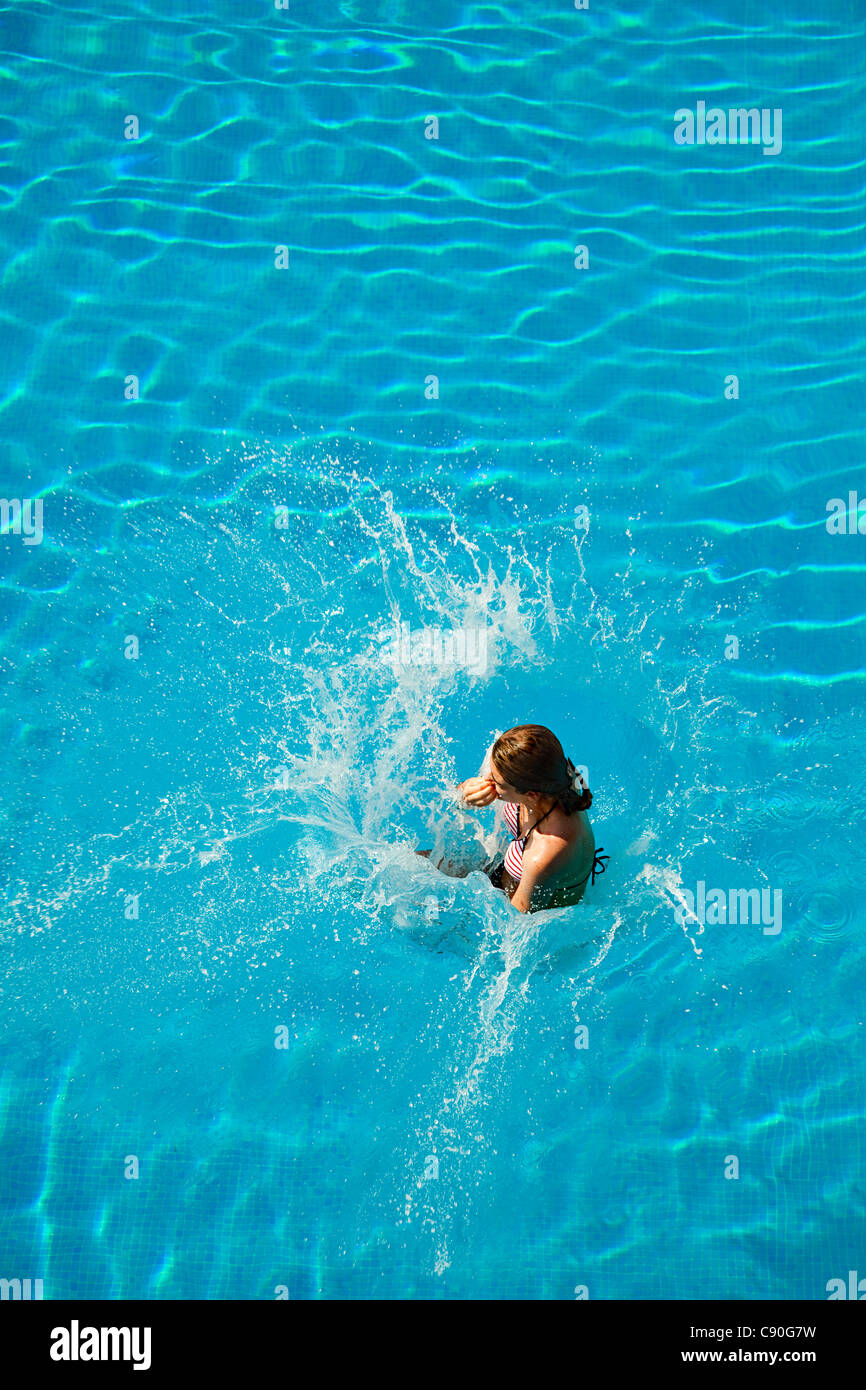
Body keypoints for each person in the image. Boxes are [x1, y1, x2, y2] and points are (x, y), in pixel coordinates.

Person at [456, 724, 608, 914]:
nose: (487, 781)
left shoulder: (547, 850)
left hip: (522, 910)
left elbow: (514, 923)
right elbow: (452, 802)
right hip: (499, 876)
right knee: (414, 869)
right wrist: (465, 794)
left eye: (497, 783)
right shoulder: (552, 771)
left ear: (531, 794)